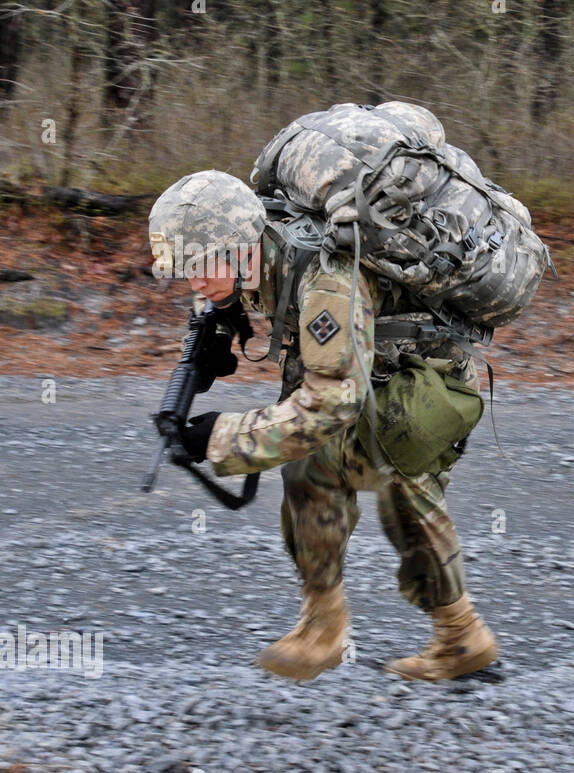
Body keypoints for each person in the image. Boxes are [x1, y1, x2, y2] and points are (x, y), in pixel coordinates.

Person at [148, 170, 497, 682]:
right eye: (186, 269)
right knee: (390, 490)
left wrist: (219, 437)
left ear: (242, 245)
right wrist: (221, 326)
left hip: (427, 384)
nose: (194, 281)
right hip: (377, 373)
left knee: (324, 463)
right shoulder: (253, 246)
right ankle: (459, 635)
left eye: (201, 265)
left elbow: (330, 406)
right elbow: (225, 297)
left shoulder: (328, 281)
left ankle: (329, 628)